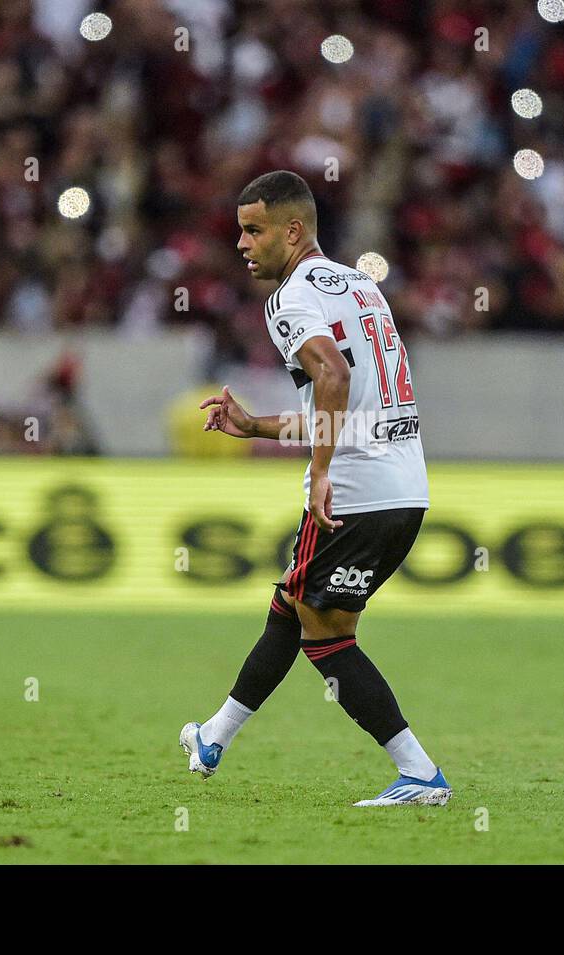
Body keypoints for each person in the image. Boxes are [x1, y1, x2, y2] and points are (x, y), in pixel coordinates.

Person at [181, 170, 448, 806]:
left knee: (325, 635)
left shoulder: (290, 299)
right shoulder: (361, 287)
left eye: (254, 230)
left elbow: (329, 378)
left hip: (353, 491)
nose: (242, 244)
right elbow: (349, 401)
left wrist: (321, 469)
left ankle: (419, 774)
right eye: (239, 231)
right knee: (295, 604)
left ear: (293, 230)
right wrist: (259, 426)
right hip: (404, 486)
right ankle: (212, 737)